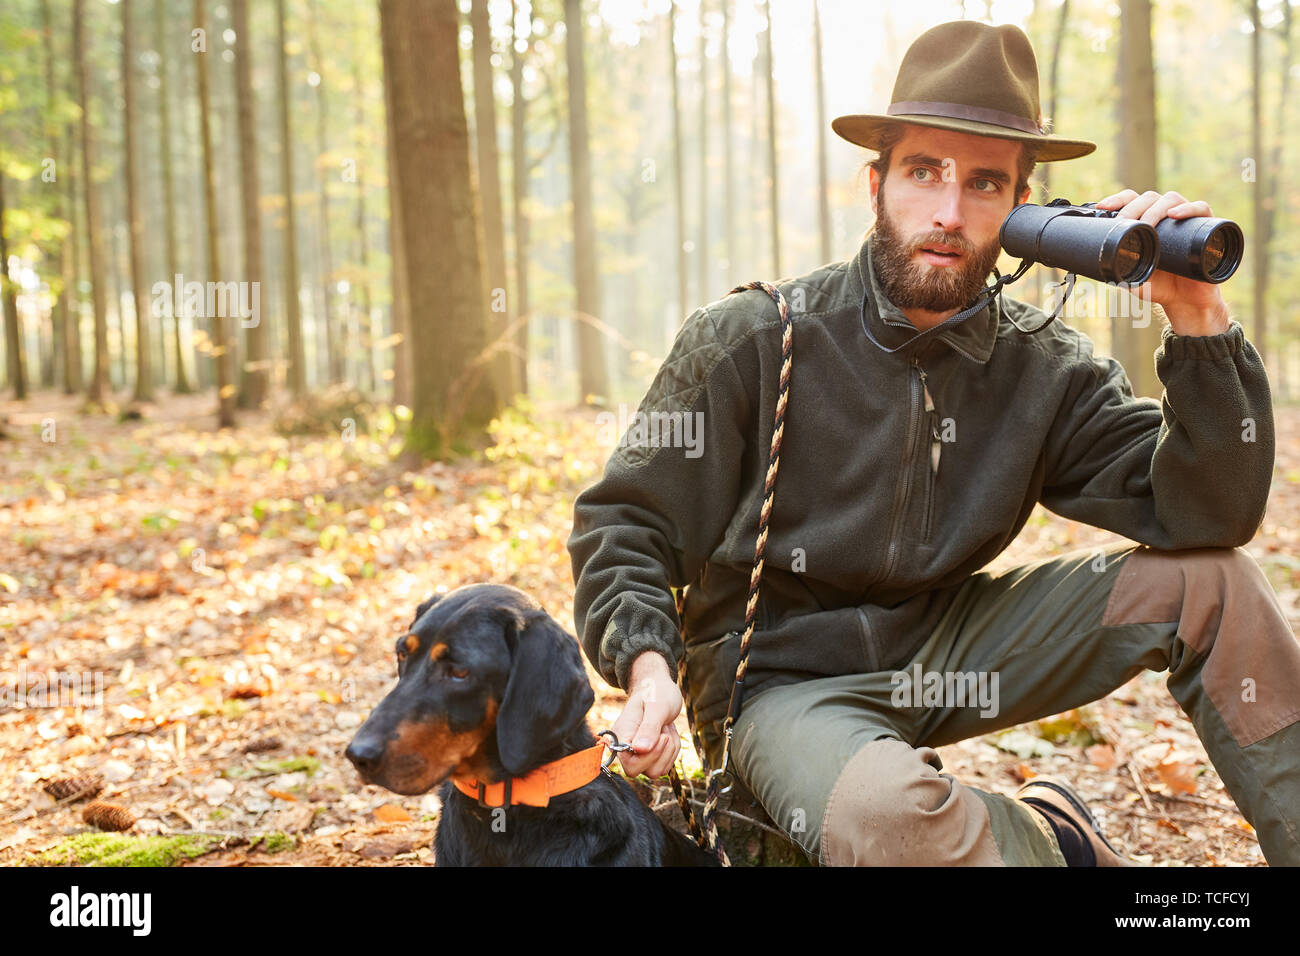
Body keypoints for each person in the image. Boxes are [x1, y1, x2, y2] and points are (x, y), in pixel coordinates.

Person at [567, 19, 1300, 866]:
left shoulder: (1045, 368)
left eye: (986, 184)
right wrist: (647, 668)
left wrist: (1199, 321)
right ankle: (1057, 842)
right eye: (924, 173)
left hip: (952, 647)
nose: (950, 213)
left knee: (1214, 585)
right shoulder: (754, 339)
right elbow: (624, 523)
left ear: (1025, 211)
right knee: (889, 818)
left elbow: (1209, 515)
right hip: (782, 685)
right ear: (875, 184)